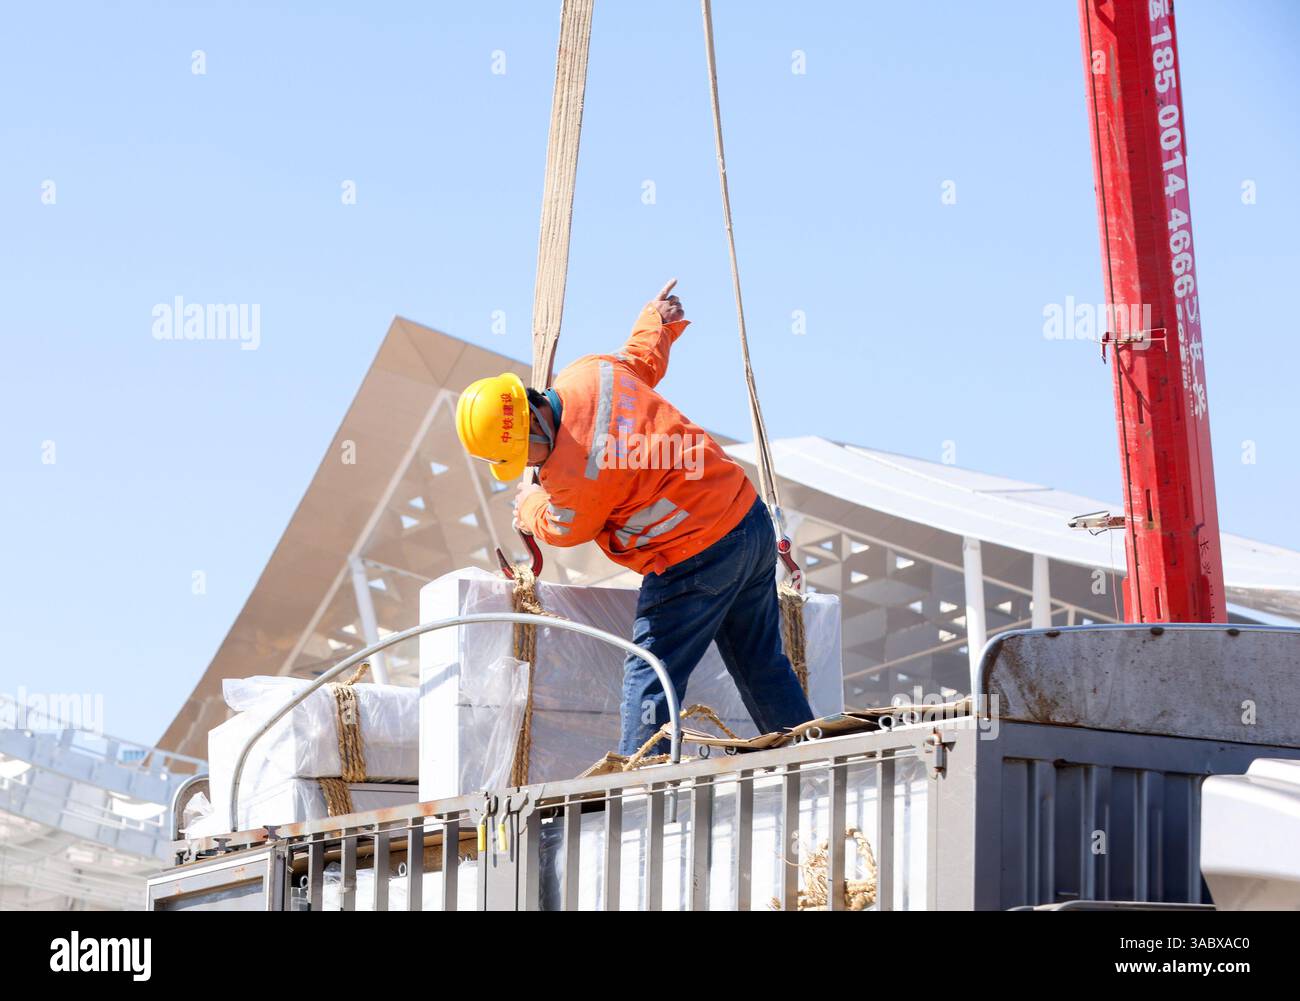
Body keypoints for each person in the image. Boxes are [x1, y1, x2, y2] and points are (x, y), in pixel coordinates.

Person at [455, 280, 812, 754]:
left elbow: (567, 529)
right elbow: (638, 359)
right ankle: (813, 756)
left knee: (651, 676)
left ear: (536, 422)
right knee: (761, 662)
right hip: (747, 521)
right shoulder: (587, 374)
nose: (531, 465)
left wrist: (529, 506)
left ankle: (644, 791)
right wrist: (656, 319)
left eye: (526, 453)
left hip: (695, 555)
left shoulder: (574, 471)